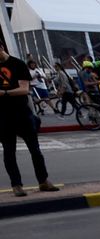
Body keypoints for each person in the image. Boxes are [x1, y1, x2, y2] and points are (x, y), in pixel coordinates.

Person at [0, 42, 59, 197]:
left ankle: (43, 180)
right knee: (9, 151)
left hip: (21, 112)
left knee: (35, 150)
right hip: (3, 115)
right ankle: (16, 185)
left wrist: (4, 93)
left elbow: (24, 89)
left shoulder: (17, 64)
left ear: (1, 48)